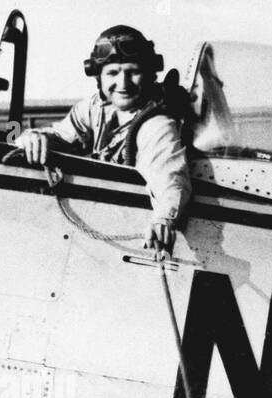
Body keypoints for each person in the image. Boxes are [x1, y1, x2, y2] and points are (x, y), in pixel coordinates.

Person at [17, 25, 191, 253]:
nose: (123, 83)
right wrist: (34, 137)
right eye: (112, 73)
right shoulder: (96, 108)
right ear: (98, 76)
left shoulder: (156, 125)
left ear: (149, 75)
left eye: (133, 71)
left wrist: (163, 221)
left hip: (130, 235)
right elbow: (63, 136)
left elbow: (170, 180)